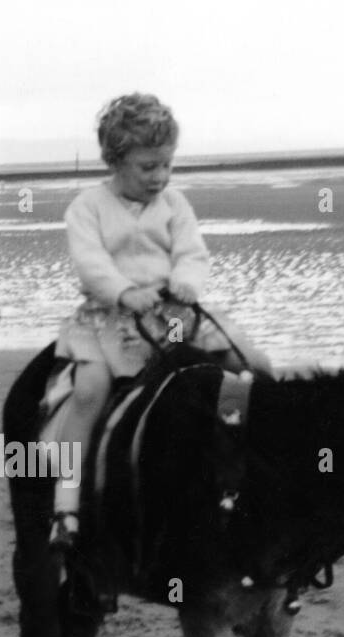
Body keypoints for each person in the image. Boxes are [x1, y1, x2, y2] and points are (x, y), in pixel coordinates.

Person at [50, 93, 271, 550]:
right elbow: (90, 262)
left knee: (254, 363)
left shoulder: (175, 205)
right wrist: (125, 291)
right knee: (89, 391)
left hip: (174, 316)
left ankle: (256, 462)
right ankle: (66, 502)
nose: (160, 177)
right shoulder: (87, 207)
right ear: (115, 160)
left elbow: (192, 252)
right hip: (109, 319)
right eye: (148, 167)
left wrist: (187, 281)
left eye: (166, 165)